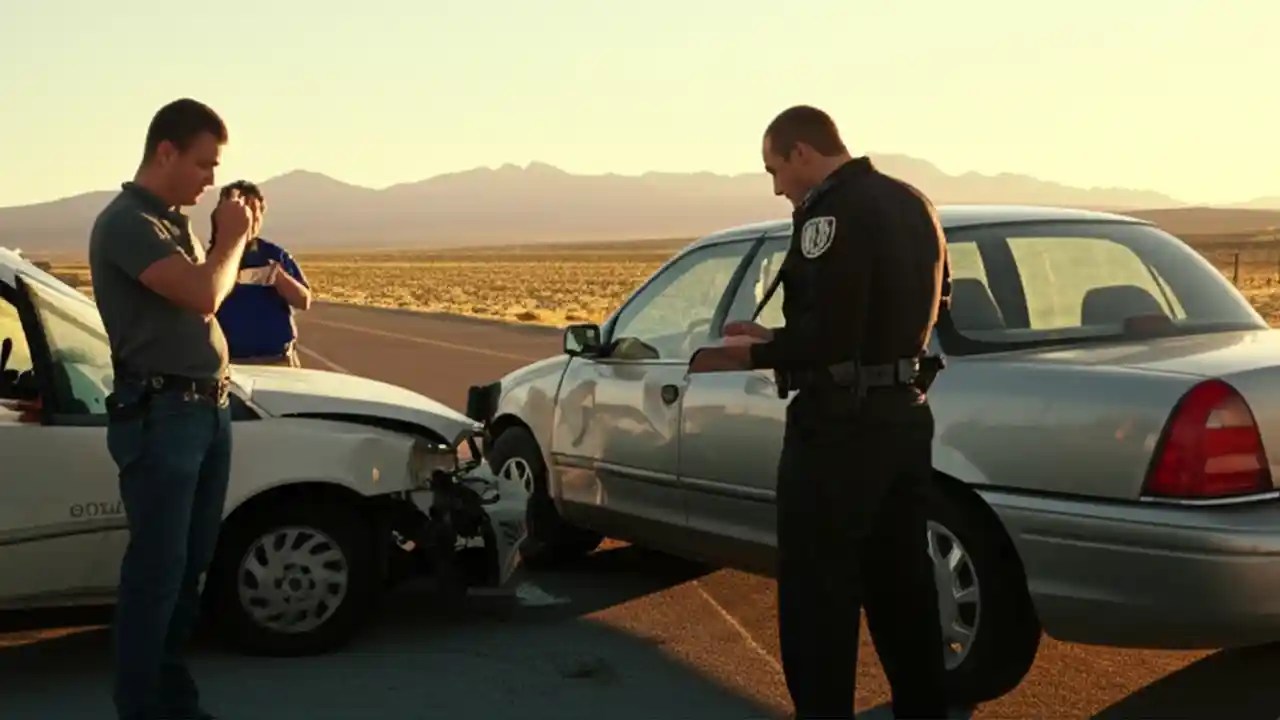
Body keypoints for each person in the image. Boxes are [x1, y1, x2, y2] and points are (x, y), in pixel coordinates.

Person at [688, 105, 956, 719]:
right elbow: (930, 304)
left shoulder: (831, 213)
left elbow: (830, 335)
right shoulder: (915, 203)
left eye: (775, 169)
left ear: (801, 153)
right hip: (905, 416)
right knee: (903, 588)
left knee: (818, 597)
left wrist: (752, 352)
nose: (777, 186)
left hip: (839, 429)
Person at [88, 97, 253, 720]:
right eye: (204, 164)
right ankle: (142, 707)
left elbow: (205, 285)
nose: (211, 180)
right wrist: (232, 239)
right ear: (166, 152)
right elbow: (205, 293)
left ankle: (172, 703)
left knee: (188, 569)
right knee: (158, 572)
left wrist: (222, 240)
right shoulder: (128, 223)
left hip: (203, 412)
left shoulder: (169, 221)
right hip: (164, 415)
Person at [210, 179, 312, 367]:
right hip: (227, 364)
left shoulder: (274, 255)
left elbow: (303, 300)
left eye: (254, 213)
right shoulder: (208, 258)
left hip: (277, 361)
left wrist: (277, 277)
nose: (248, 220)